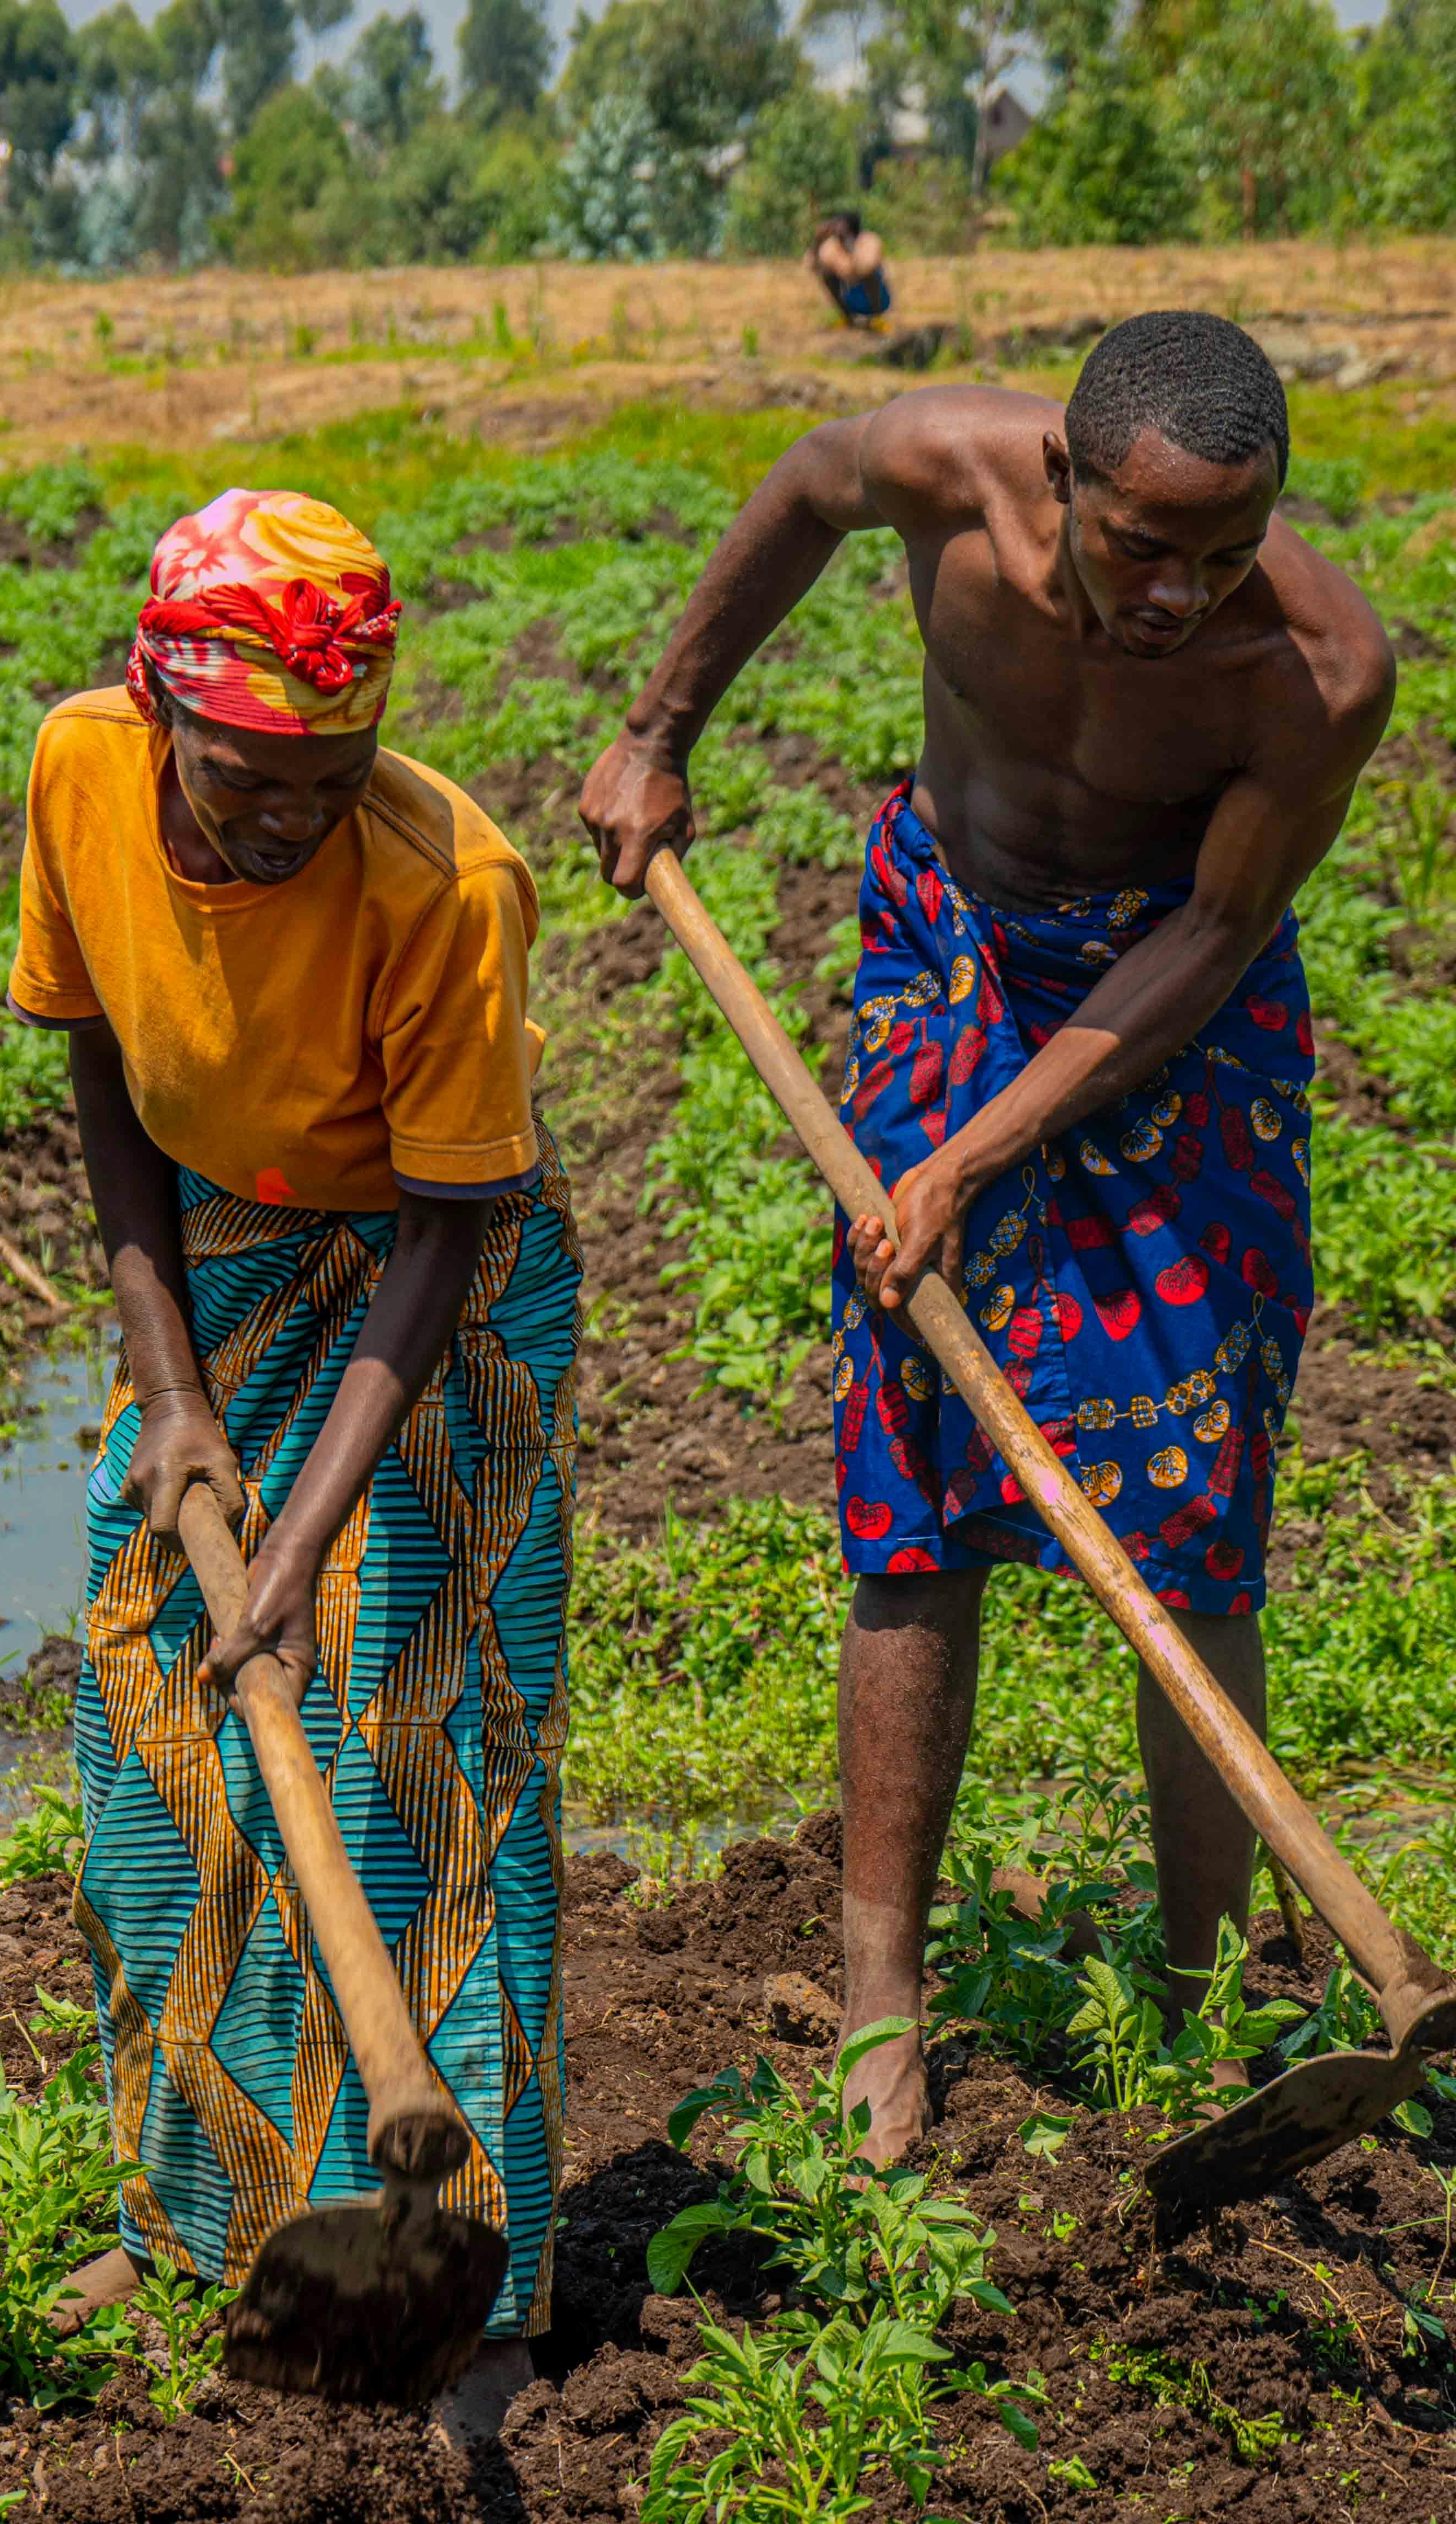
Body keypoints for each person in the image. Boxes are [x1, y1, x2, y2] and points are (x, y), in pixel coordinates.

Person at [579, 311, 1393, 2162]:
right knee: (915, 1469)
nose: (1181, 596)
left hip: (1173, 1010)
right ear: (1058, 483)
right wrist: (655, 732)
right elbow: (797, 490)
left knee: (1193, 1503)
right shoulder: (947, 466)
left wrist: (975, 1150)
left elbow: (1203, 939)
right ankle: (881, 2003)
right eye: (1140, 549)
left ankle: (1200, 2010)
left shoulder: (1322, 674)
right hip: (952, 939)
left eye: (1224, 554)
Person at [10, 487, 581, 2437]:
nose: (288, 818)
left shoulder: (445, 880)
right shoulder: (80, 771)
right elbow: (97, 1059)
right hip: (221, 1250)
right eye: (250, 778)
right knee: (161, 1719)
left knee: (421, 1747)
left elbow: (437, 1229)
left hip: (436, 1285)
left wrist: (310, 1534)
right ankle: (197, 2216)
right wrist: (168, 1392)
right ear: (159, 705)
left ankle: (480, 2273)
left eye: (326, 778)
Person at [807, 209, 891, 326]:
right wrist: (817, 242)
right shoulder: (831, 245)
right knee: (827, 276)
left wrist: (850, 247)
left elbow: (865, 267)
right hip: (851, 297)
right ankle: (848, 317)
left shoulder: (869, 240)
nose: (834, 228)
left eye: (838, 224)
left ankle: (877, 318)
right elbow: (814, 267)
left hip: (878, 299)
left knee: (871, 275)